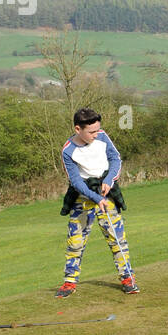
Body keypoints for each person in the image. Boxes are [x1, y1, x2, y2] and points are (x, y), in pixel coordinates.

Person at [56, 107, 139, 297]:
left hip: (107, 192)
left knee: (117, 239)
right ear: (78, 129)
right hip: (83, 198)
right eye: (91, 131)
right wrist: (95, 198)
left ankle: (128, 279)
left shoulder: (102, 137)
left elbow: (115, 159)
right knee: (75, 242)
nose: (96, 134)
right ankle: (69, 282)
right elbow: (76, 181)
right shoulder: (68, 150)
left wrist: (109, 180)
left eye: (97, 129)